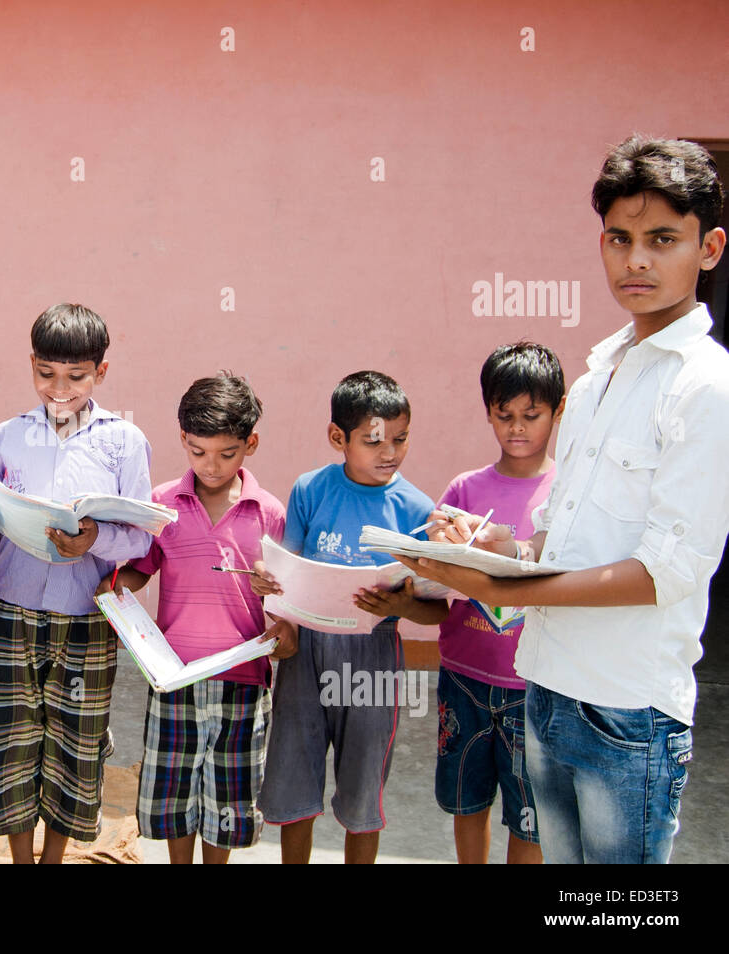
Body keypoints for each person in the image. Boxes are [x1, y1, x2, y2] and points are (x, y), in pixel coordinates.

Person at [403, 136, 728, 864]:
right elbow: (551, 544)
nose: (636, 260)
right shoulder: (590, 383)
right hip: (545, 685)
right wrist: (493, 552)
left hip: (628, 708)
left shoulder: (707, 389)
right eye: (620, 238)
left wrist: (503, 586)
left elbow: (666, 572)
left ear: (708, 248)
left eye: (662, 239)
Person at [0, 302, 153, 863]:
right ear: (31, 366)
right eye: (46, 374)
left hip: (88, 620)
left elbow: (141, 538)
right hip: (12, 612)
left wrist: (94, 539)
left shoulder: (125, 442)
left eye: (77, 376)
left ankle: (53, 858)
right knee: (10, 739)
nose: (60, 388)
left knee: (75, 743)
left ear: (102, 373)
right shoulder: (6, 436)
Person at [95, 372, 294, 863]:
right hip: (174, 676)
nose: (212, 465)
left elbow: (286, 607)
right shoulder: (163, 503)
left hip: (244, 680)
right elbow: (141, 570)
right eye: (199, 452)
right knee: (173, 795)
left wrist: (282, 624)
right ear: (183, 439)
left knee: (228, 797)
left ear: (251, 444)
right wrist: (114, 587)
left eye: (228, 454)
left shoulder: (269, 513)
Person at [251, 370, 448, 864]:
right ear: (338, 437)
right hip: (306, 656)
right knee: (294, 779)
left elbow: (437, 607)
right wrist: (281, 618)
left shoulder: (418, 510)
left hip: (373, 656)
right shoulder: (311, 490)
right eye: (374, 440)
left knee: (363, 790)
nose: (390, 452)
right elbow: (288, 571)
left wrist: (401, 605)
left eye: (401, 439)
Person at [432, 343, 563, 864]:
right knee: (466, 799)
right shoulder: (467, 488)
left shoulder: (565, 492)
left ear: (558, 409)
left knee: (530, 813)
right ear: (488, 411)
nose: (516, 428)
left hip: (533, 684)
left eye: (531, 416)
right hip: (463, 673)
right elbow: (434, 565)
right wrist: (441, 539)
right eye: (503, 415)